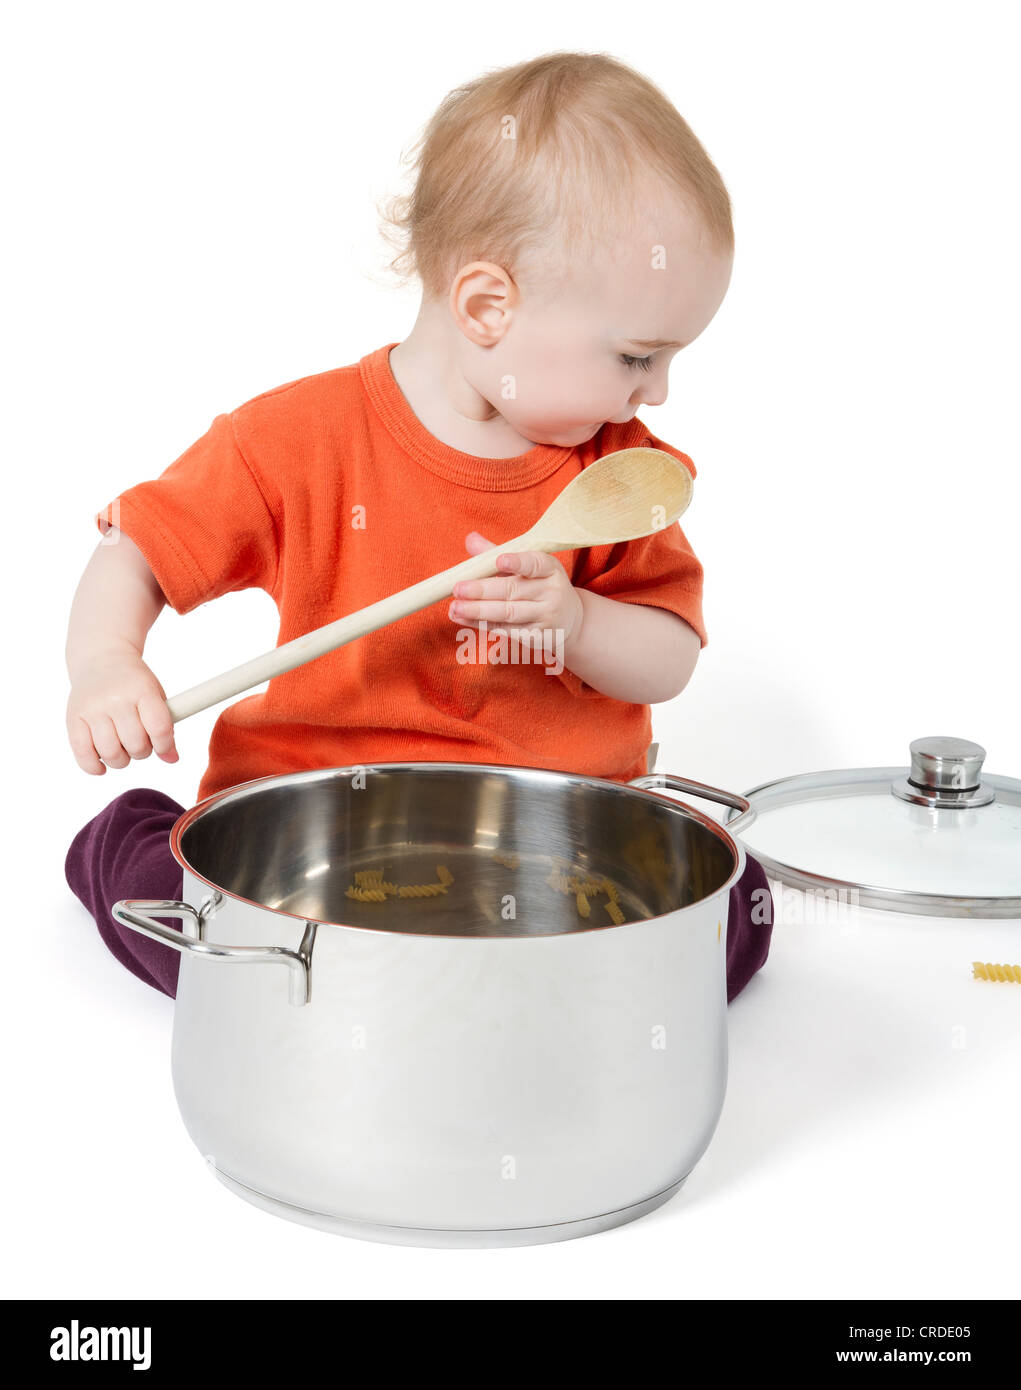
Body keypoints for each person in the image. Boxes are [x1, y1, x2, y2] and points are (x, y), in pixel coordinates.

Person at [64, 50, 772, 1002]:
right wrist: (107, 662)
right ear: (487, 306)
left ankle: (452, 997)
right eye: (638, 357)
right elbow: (136, 547)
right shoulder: (297, 439)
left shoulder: (617, 477)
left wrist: (578, 625)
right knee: (191, 927)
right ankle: (130, 845)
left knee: (737, 911)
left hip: (544, 859)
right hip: (316, 847)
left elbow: (669, 658)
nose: (659, 392)